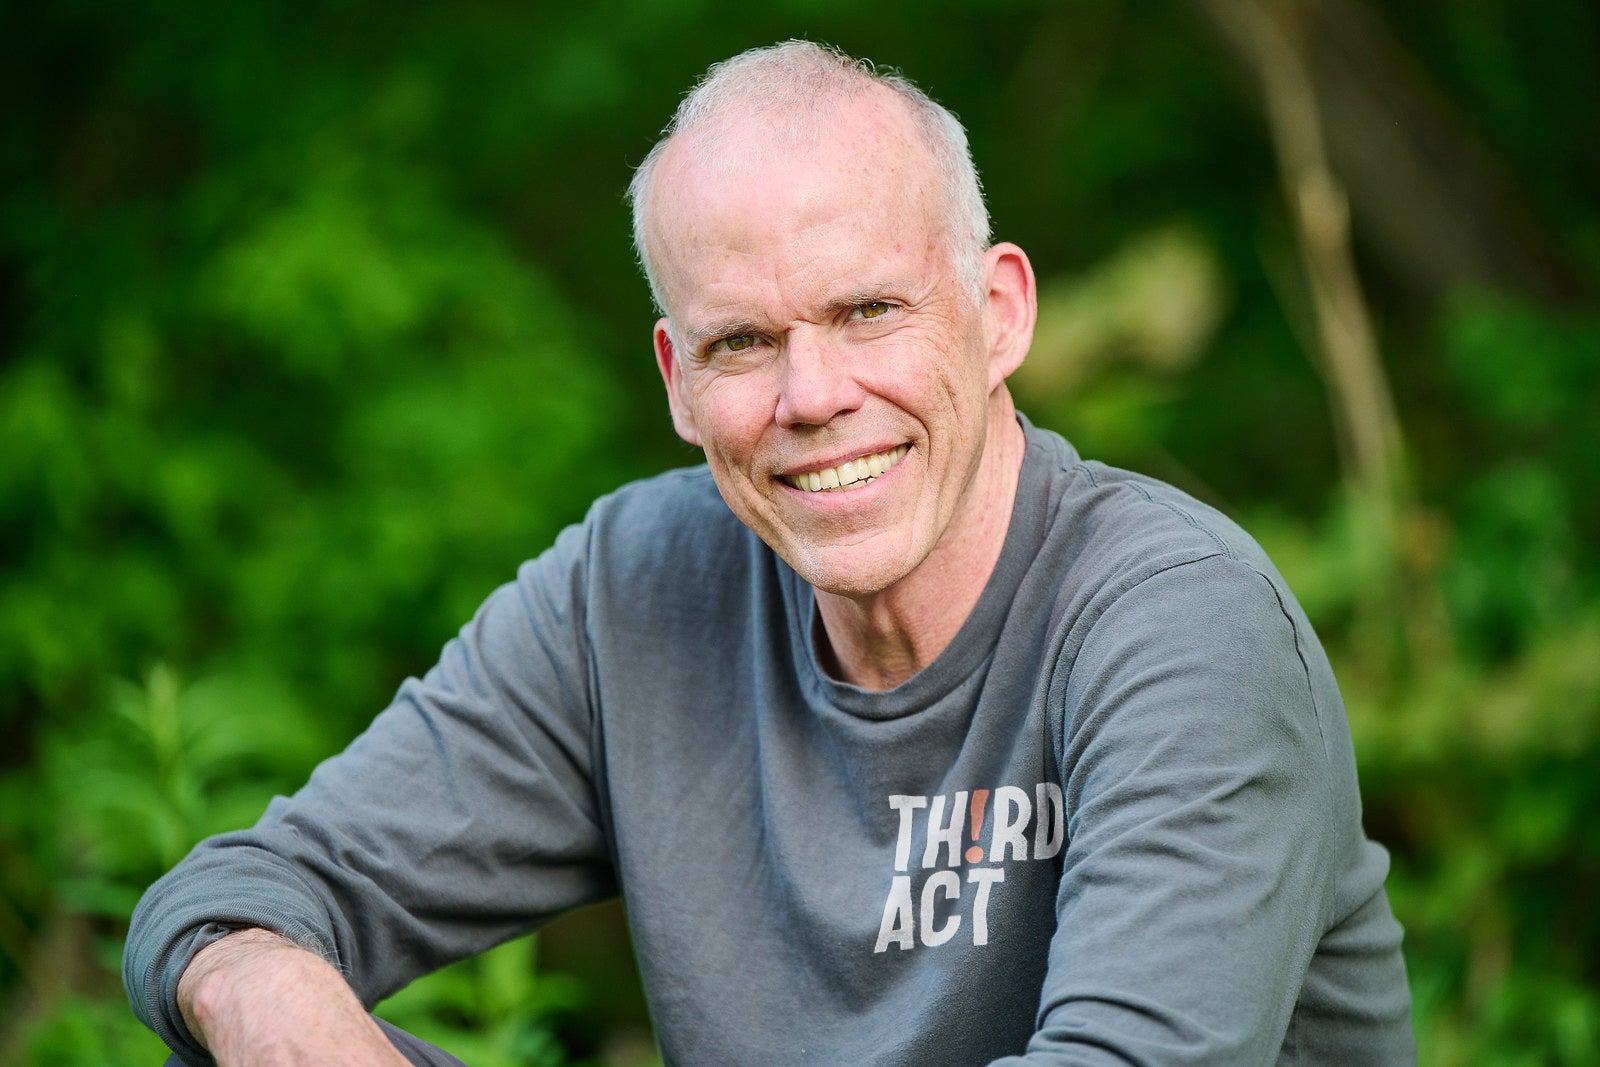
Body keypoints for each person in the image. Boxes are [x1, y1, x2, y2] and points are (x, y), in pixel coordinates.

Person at [124, 41, 1416, 1065]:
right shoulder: (636, 589)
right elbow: (242, 894)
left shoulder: (1176, 622)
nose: (812, 394)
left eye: (868, 312)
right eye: (744, 342)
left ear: (1000, 312)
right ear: (679, 383)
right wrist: (263, 992)